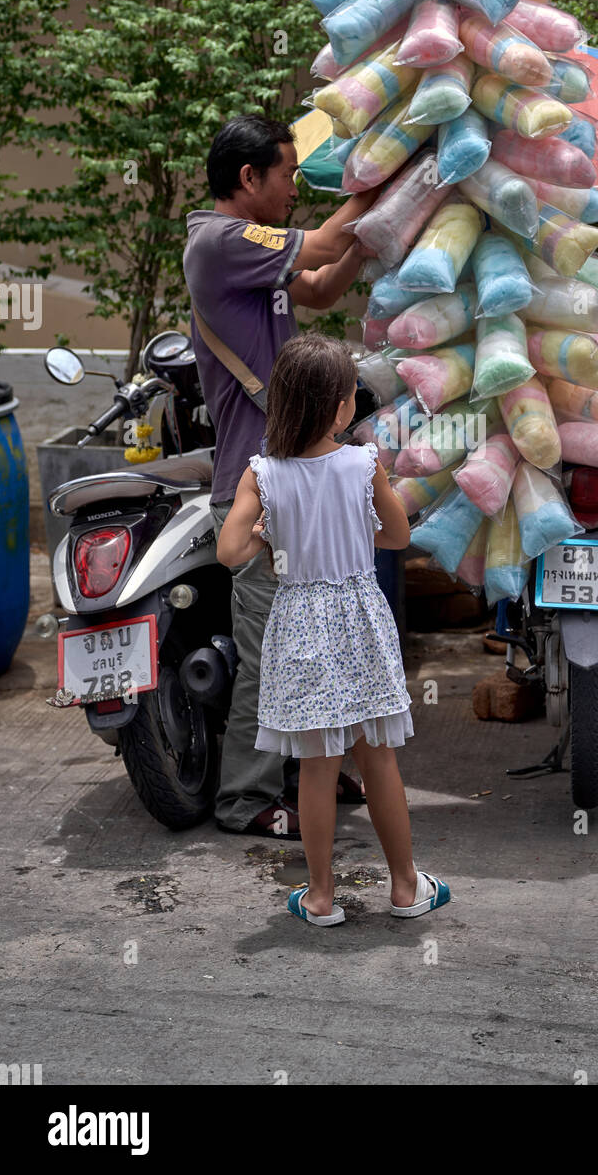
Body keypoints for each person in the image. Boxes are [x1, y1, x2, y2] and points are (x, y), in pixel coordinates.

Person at [184, 115, 378, 839]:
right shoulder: (220, 242)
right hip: (255, 487)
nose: (295, 187)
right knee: (269, 650)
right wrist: (381, 181)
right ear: (248, 179)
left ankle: (305, 774)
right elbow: (323, 241)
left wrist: (374, 232)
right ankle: (245, 797)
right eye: (289, 174)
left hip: (296, 480)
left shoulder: (254, 258)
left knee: (313, 640)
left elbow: (324, 284)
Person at [215, 333, 450, 926]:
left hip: (298, 620)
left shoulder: (261, 474)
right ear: (342, 406)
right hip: (360, 619)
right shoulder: (363, 463)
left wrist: (272, 531)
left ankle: (321, 897)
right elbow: (397, 536)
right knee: (379, 759)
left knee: (318, 764)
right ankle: (405, 887)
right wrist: (351, 531)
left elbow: (229, 550)